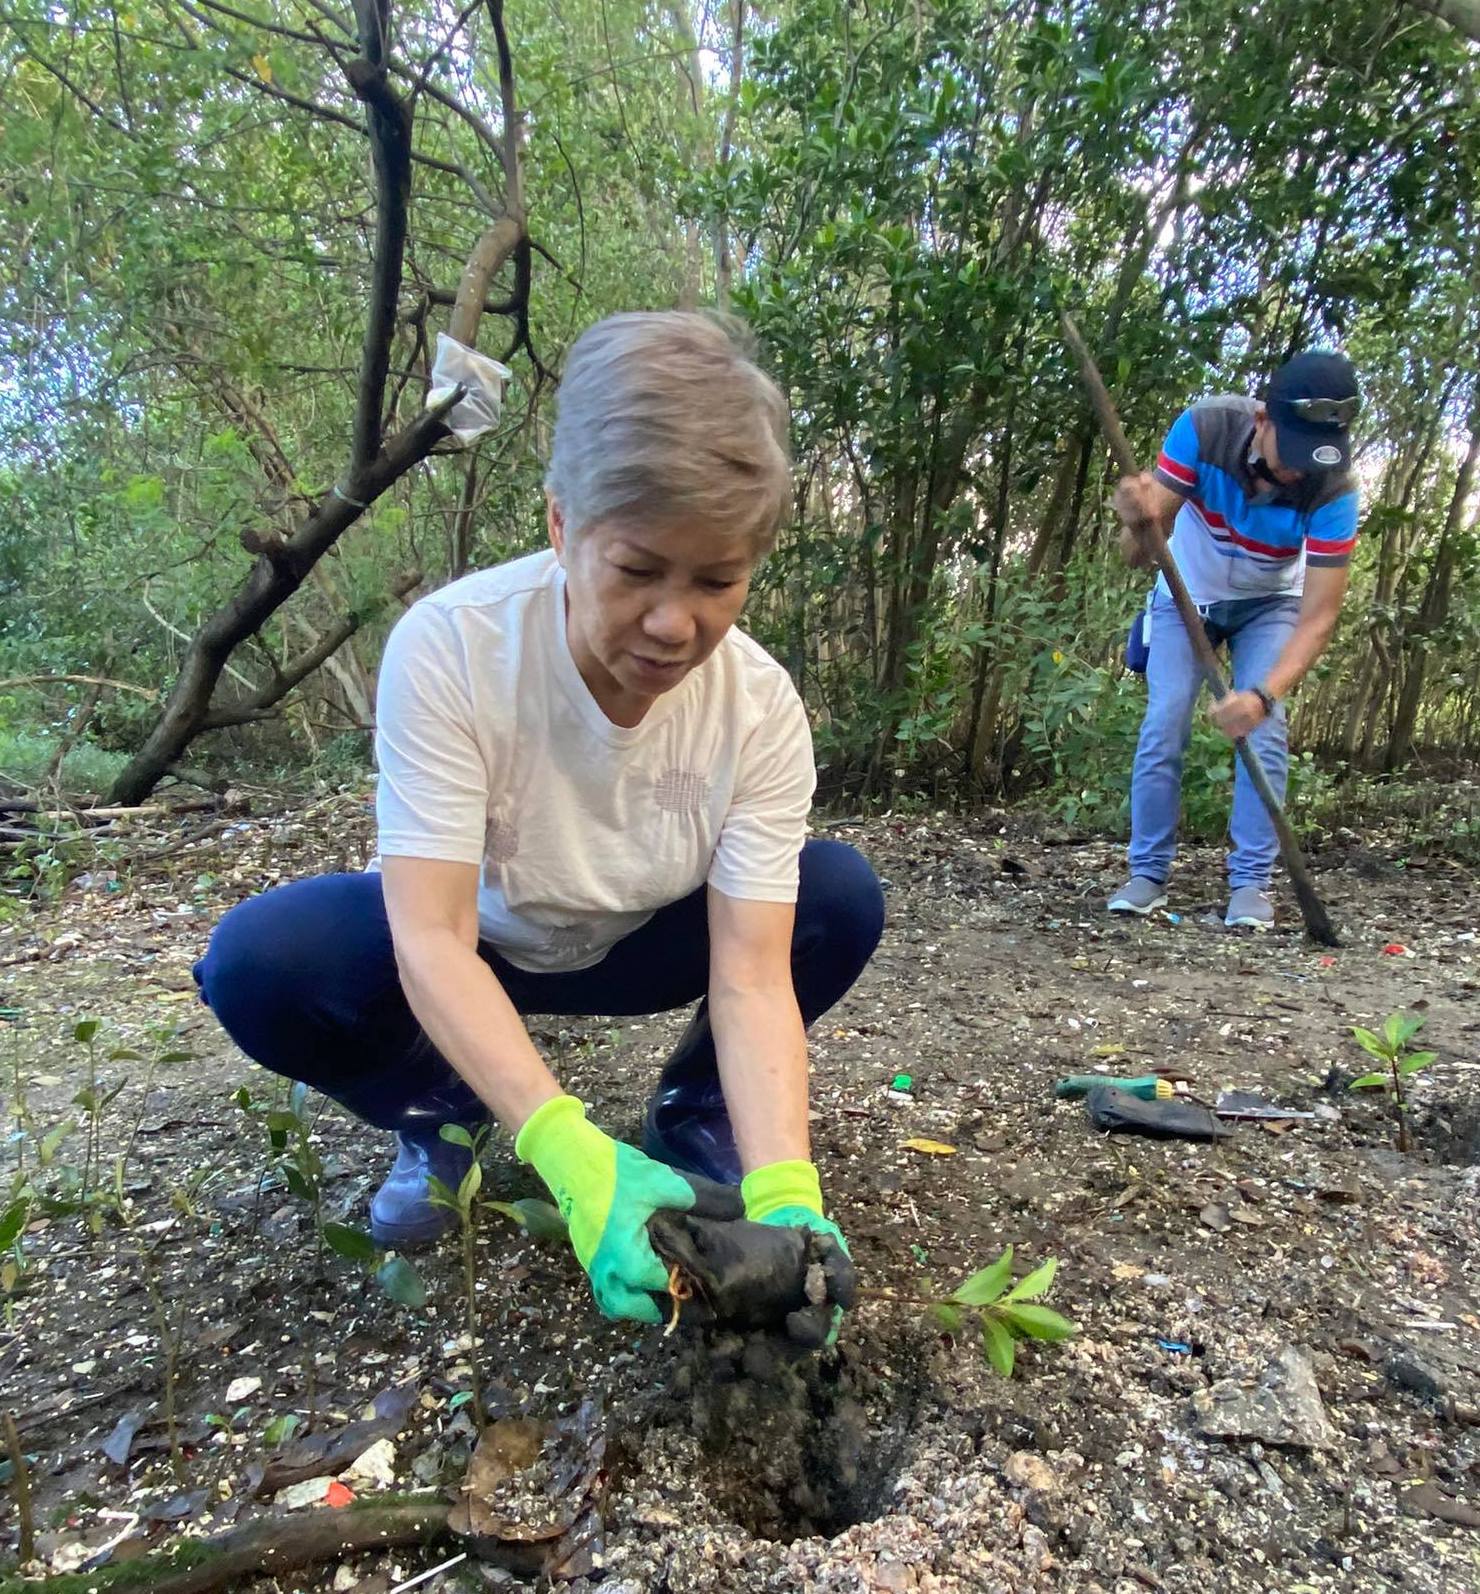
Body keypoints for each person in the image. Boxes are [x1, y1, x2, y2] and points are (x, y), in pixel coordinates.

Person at [193, 312, 885, 1327]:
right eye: (638, 569)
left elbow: (747, 970)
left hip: (642, 940)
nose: (673, 623)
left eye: (717, 580)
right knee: (262, 963)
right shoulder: (454, 650)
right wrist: (563, 1147)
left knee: (838, 895)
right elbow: (428, 940)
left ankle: (700, 1122)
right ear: (562, 526)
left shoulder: (759, 707)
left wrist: (787, 1187)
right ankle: (447, 1114)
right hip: (484, 946)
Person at [1107, 350, 1361, 929]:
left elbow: (1318, 617)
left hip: (1272, 603)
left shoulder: (1334, 490)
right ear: (1263, 420)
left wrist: (1261, 696)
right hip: (1186, 596)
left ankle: (1250, 884)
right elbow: (1138, 557)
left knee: (1264, 728)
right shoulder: (1206, 428)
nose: (1299, 471)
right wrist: (1135, 520)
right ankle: (1147, 874)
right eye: (1292, 450)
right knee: (1165, 719)